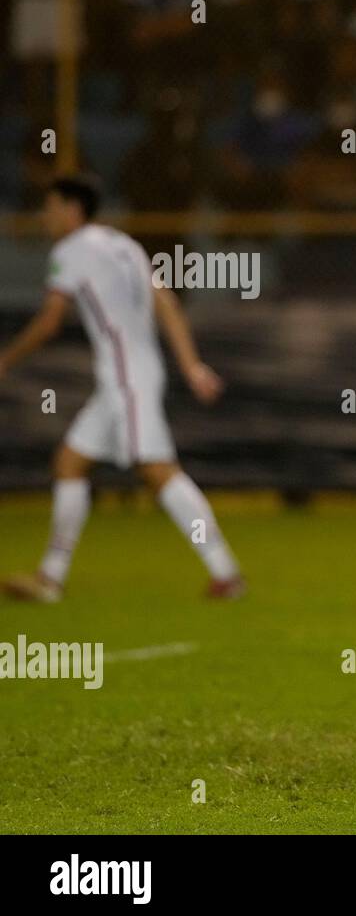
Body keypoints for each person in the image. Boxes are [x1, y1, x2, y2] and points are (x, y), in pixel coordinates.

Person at [0, 173, 244, 602]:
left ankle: (225, 572)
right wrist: (190, 365)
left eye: (51, 207)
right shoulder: (123, 244)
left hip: (125, 378)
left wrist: (6, 358)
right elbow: (165, 301)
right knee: (70, 462)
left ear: (72, 210)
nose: (45, 216)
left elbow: (51, 319)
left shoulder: (70, 251)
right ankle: (50, 578)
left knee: (158, 471)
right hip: (132, 373)